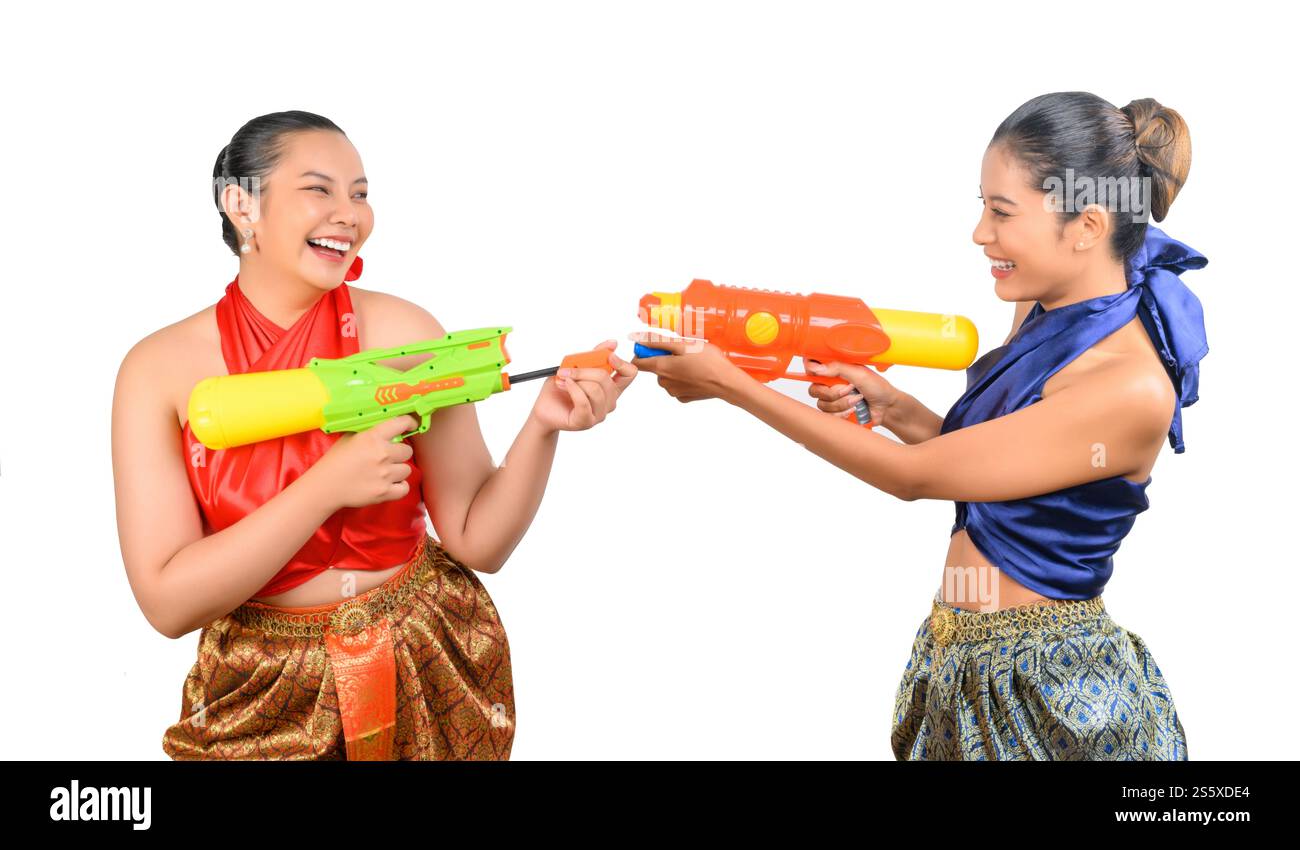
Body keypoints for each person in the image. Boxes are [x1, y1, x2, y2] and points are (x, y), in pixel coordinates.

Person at [631, 92, 1203, 760]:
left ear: (1085, 226)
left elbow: (913, 479)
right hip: (957, 662)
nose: (980, 233)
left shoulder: (1127, 384)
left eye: (1001, 212)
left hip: (1054, 692)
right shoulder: (1046, 308)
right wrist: (893, 406)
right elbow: (997, 467)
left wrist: (733, 385)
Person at [112, 110, 637, 760]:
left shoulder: (406, 334)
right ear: (241, 203)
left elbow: (480, 541)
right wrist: (327, 487)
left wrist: (544, 426)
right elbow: (166, 604)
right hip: (260, 687)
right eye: (319, 189)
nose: (349, 214)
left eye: (360, 193)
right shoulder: (157, 369)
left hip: (427, 659)